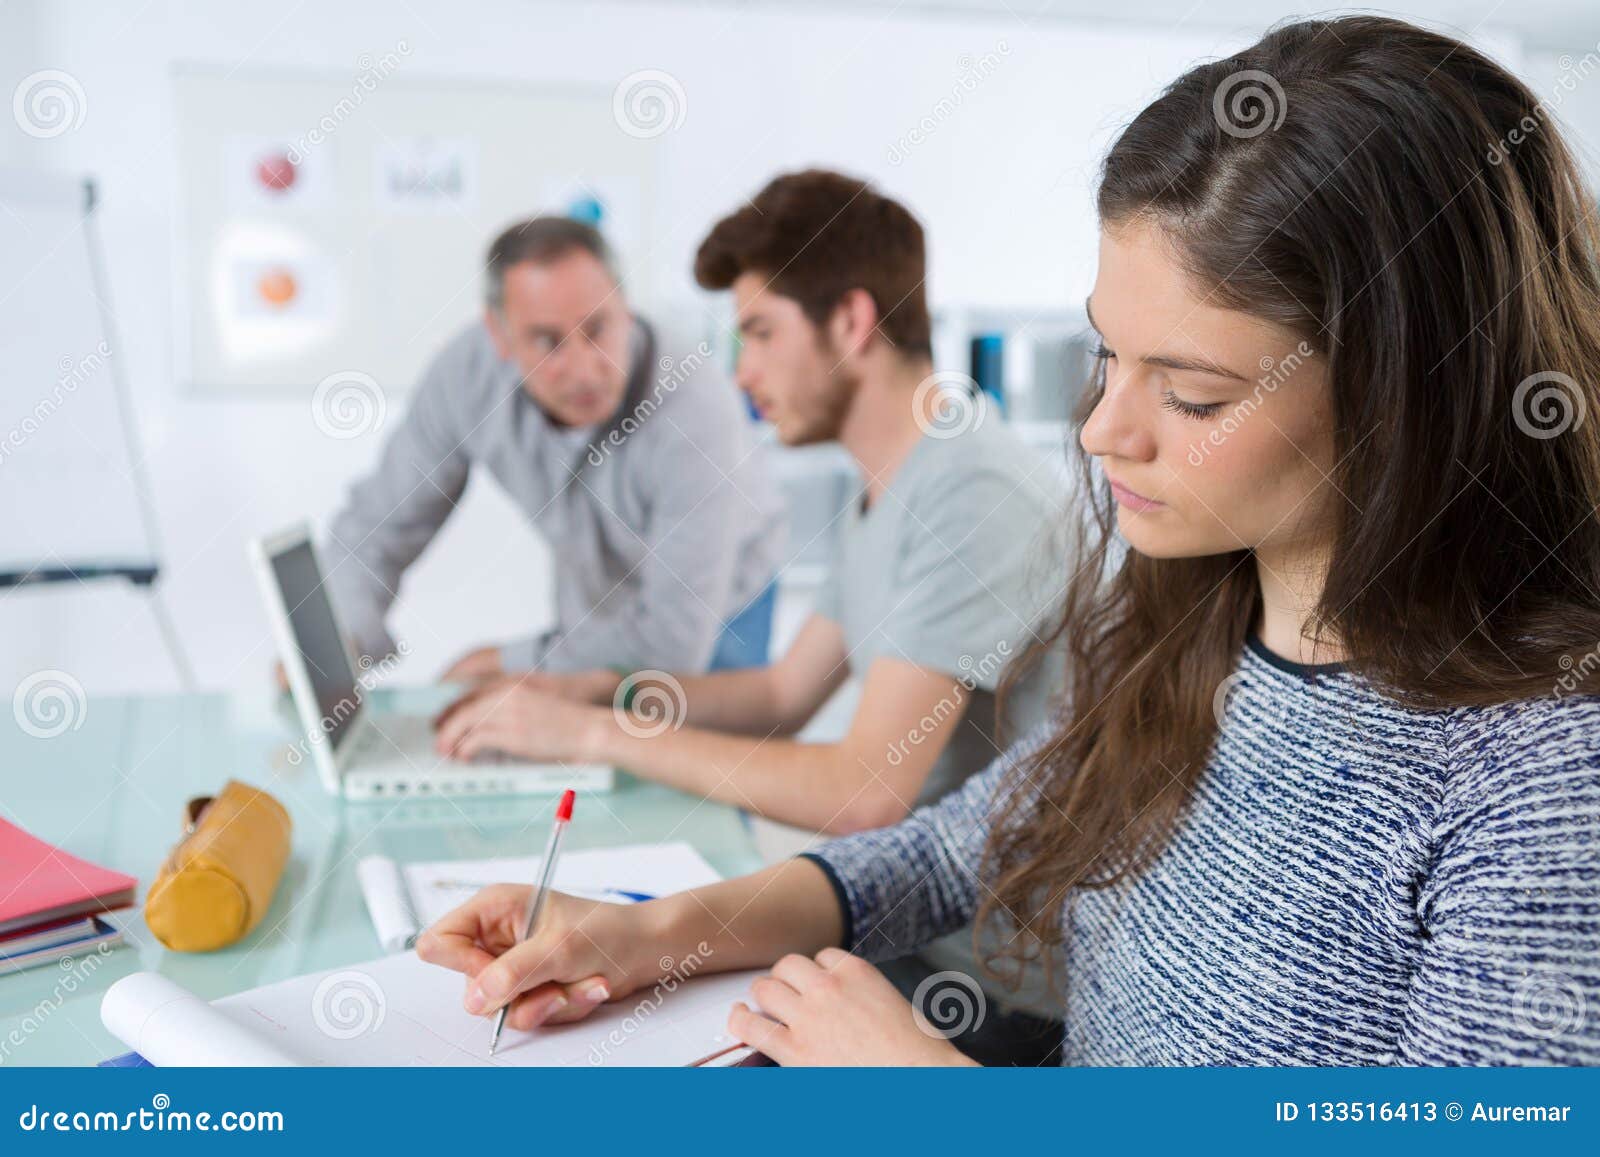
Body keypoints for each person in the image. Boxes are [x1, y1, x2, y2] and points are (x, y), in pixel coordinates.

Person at [420, 16, 1600, 1066]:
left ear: (1410, 395)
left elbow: (869, 794)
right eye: (1103, 356)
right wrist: (653, 932)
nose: (1099, 431)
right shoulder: (1197, 623)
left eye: (1189, 394)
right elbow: (950, 845)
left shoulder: (1542, 789)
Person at [430, 171, 1065, 1063]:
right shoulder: (893, 481)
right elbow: (780, 692)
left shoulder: (972, 489)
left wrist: (596, 731)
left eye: (761, 333)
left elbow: (862, 791)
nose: (740, 371)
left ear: (850, 323)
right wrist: (593, 687)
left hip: (986, 994)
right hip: (901, 935)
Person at [320, 216, 785, 680]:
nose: (583, 369)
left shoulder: (696, 408)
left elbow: (673, 643)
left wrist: (504, 663)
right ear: (499, 335)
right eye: (548, 341)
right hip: (597, 600)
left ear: (625, 308)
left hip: (719, 605)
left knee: (699, 744)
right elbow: (377, 528)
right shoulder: (466, 378)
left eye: (598, 329)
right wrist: (341, 641)